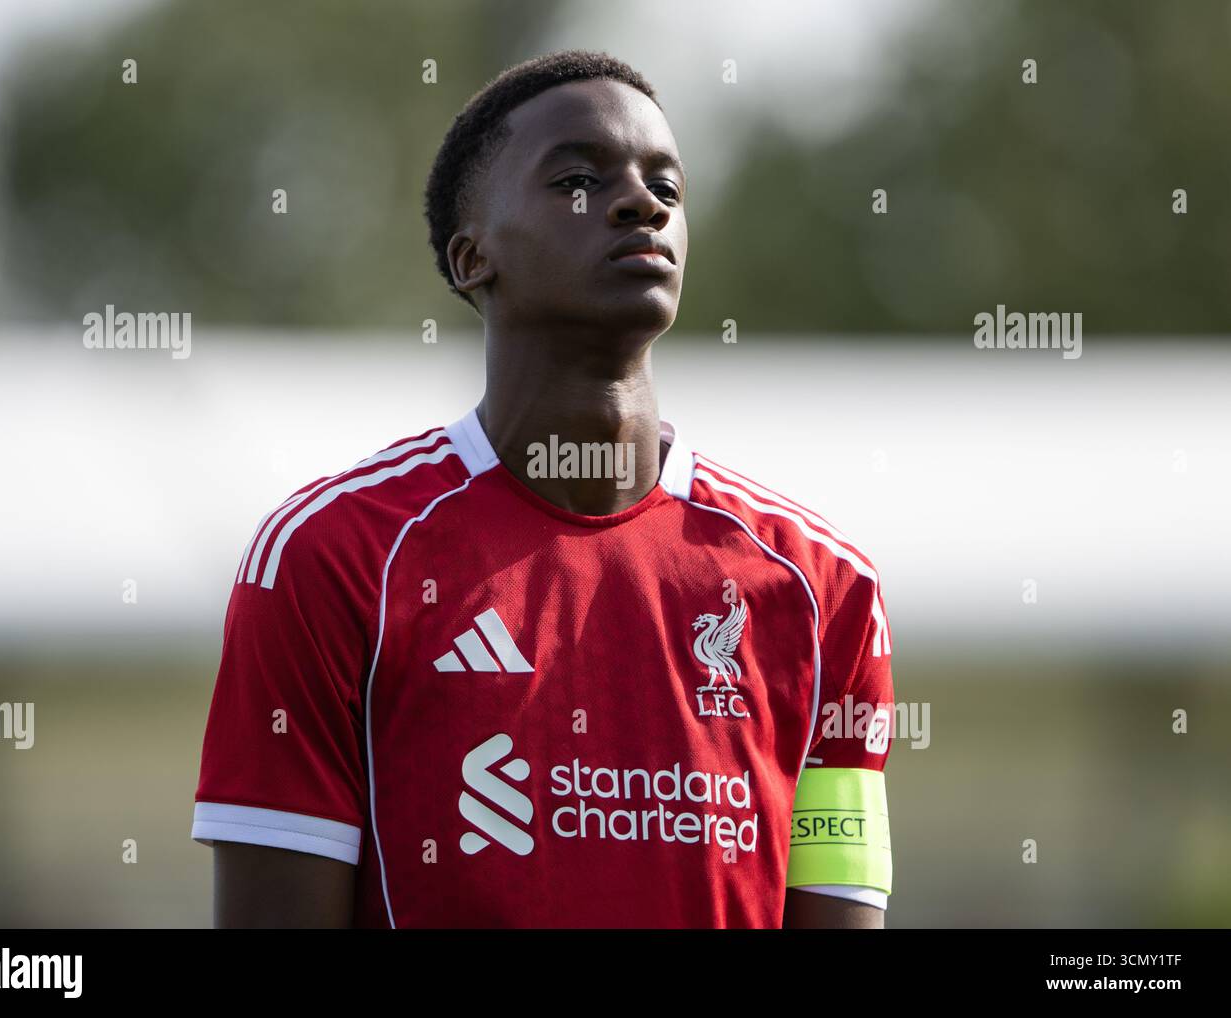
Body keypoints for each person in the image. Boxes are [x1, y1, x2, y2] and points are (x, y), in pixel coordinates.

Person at [192, 49, 895, 928]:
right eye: (578, 179)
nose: (643, 204)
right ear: (470, 255)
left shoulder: (826, 590)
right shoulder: (330, 559)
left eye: (667, 189)